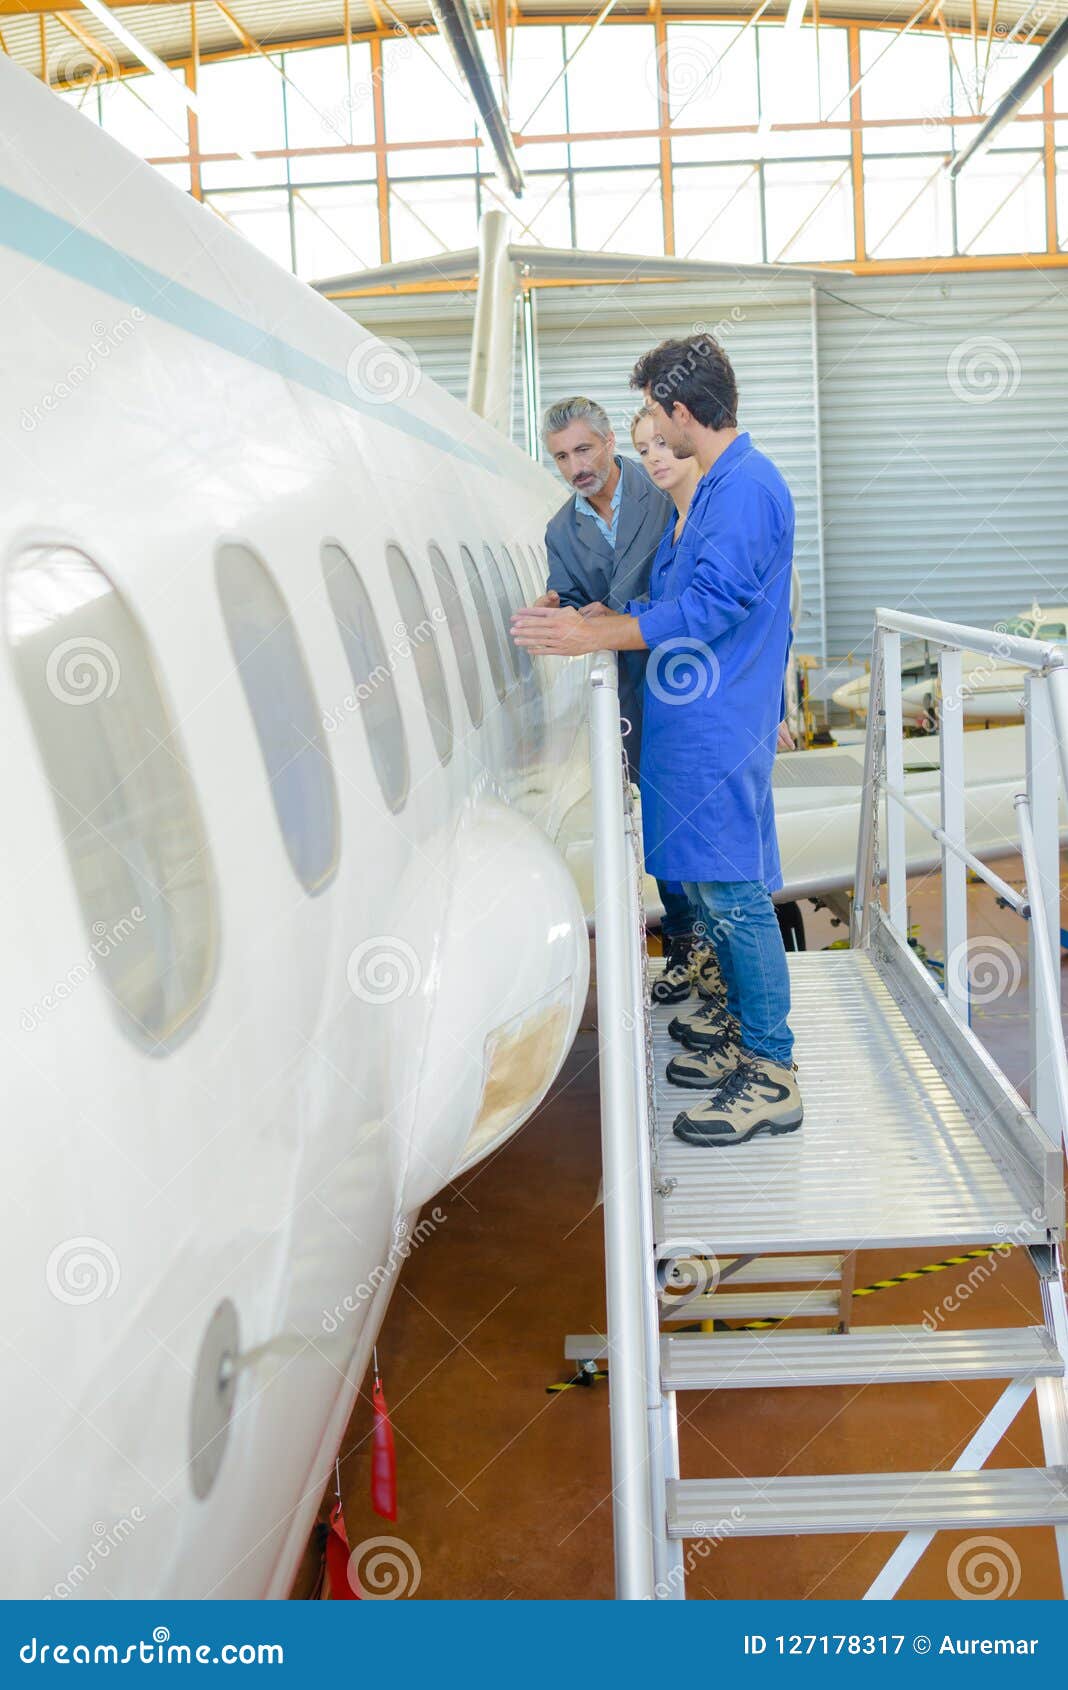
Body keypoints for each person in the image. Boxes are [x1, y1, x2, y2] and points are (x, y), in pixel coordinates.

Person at [512, 336, 801, 1150]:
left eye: (655, 424)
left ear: (680, 412)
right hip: (689, 717)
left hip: (715, 719)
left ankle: (772, 1072)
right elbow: (671, 591)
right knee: (712, 896)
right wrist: (589, 620)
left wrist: (595, 634)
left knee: (736, 897)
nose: (654, 446)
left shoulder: (743, 490)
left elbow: (707, 609)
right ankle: (748, 1044)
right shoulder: (713, 492)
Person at [535, 395, 698, 966]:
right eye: (560, 457)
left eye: (583, 448)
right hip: (635, 694)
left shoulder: (667, 489)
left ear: (608, 442)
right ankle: (685, 948)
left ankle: (711, 955)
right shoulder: (562, 529)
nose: (575, 465)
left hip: (691, 679)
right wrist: (561, 608)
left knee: (698, 822)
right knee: (661, 825)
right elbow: (579, 604)